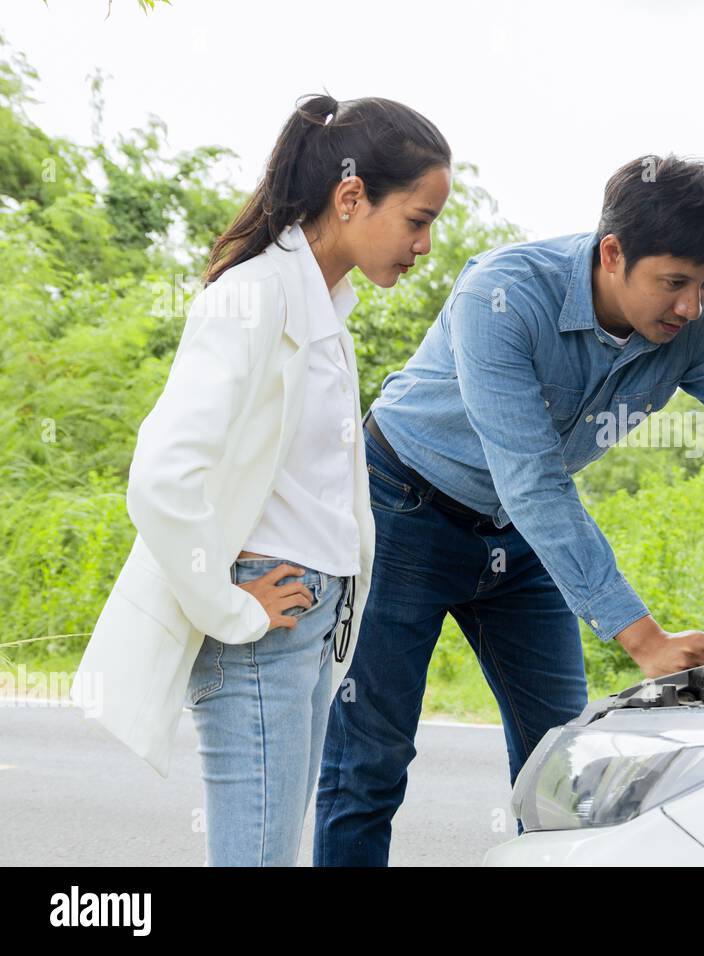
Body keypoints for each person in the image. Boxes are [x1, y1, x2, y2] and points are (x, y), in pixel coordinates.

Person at [312, 153, 704, 865]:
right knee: (369, 762)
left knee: (567, 770)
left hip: (521, 540)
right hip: (401, 509)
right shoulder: (502, 296)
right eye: (674, 283)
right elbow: (533, 477)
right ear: (613, 254)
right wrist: (646, 641)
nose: (691, 307)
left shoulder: (702, 323)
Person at [70, 93, 452, 866]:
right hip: (261, 620)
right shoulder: (251, 299)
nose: (426, 245)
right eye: (417, 219)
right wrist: (228, 607)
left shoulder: (322, 306)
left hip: (311, 616)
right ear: (351, 198)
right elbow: (162, 475)